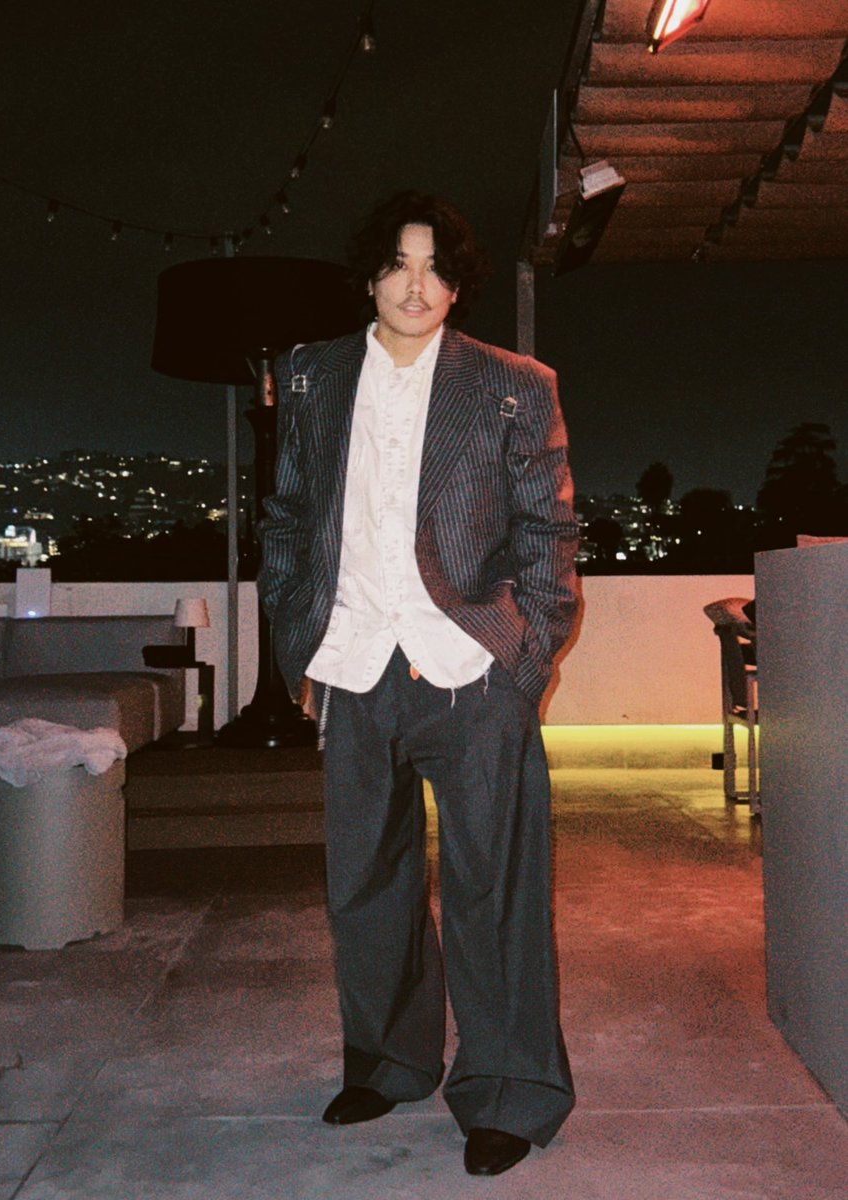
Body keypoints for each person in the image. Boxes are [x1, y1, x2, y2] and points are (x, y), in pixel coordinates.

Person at [258, 191, 579, 1177]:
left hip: (469, 669)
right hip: (356, 664)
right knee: (365, 883)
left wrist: (523, 661)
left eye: (435, 267)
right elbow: (287, 516)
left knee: (495, 888)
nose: (415, 284)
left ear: (456, 286)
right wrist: (297, 638)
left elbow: (550, 532)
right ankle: (392, 1061)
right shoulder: (311, 375)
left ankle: (508, 1090)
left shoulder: (513, 384)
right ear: (371, 274)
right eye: (399, 262)